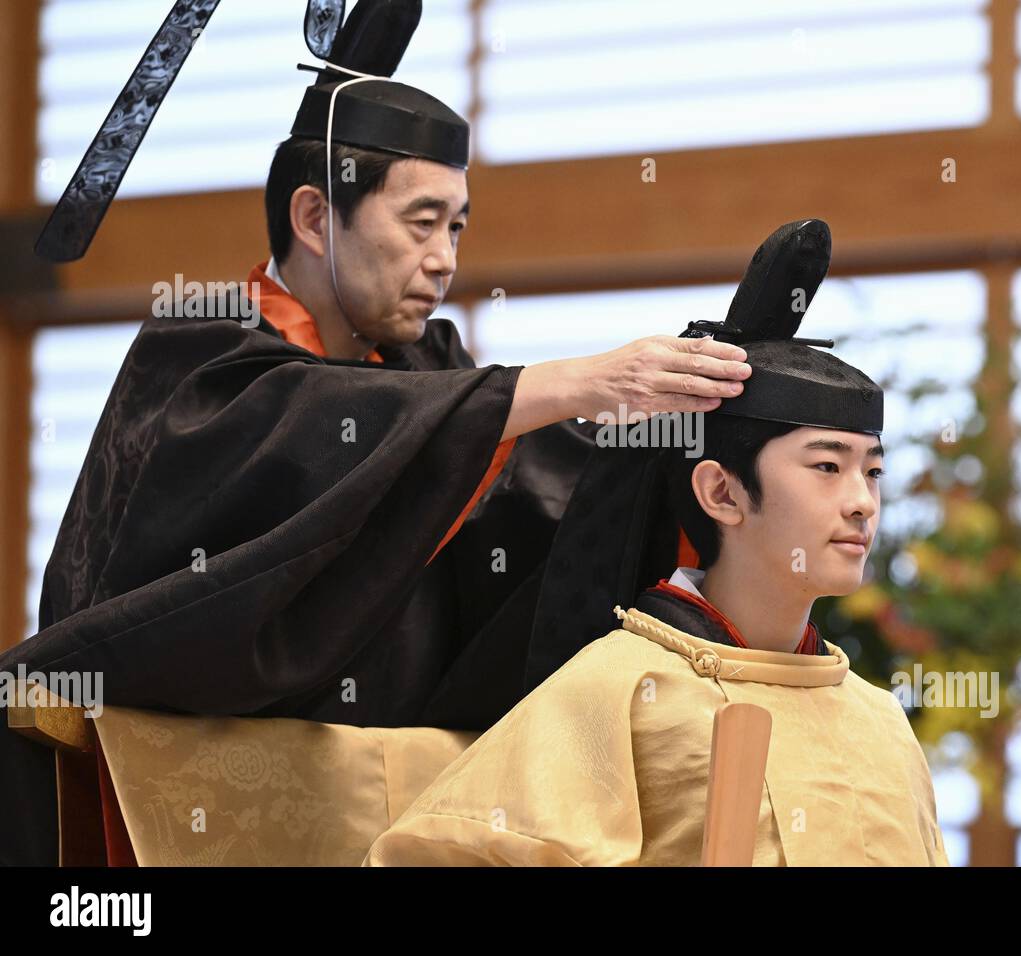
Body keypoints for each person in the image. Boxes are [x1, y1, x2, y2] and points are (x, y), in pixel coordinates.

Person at [0, 0, 749, 866]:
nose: (445, 259)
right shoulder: (199, 356)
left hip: (392, 812)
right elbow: (314, 443)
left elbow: (557, 515)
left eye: (458, 226)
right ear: (317, 219)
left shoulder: (434, 371)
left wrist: (695, 456)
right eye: (420, 221)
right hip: (179, 810)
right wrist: (567, 384)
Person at [363, 220, 950, 866]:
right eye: (826, 467)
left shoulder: (881, 723)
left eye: (872, 471)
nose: (862, 501)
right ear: (722, 493)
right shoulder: (618, 690)